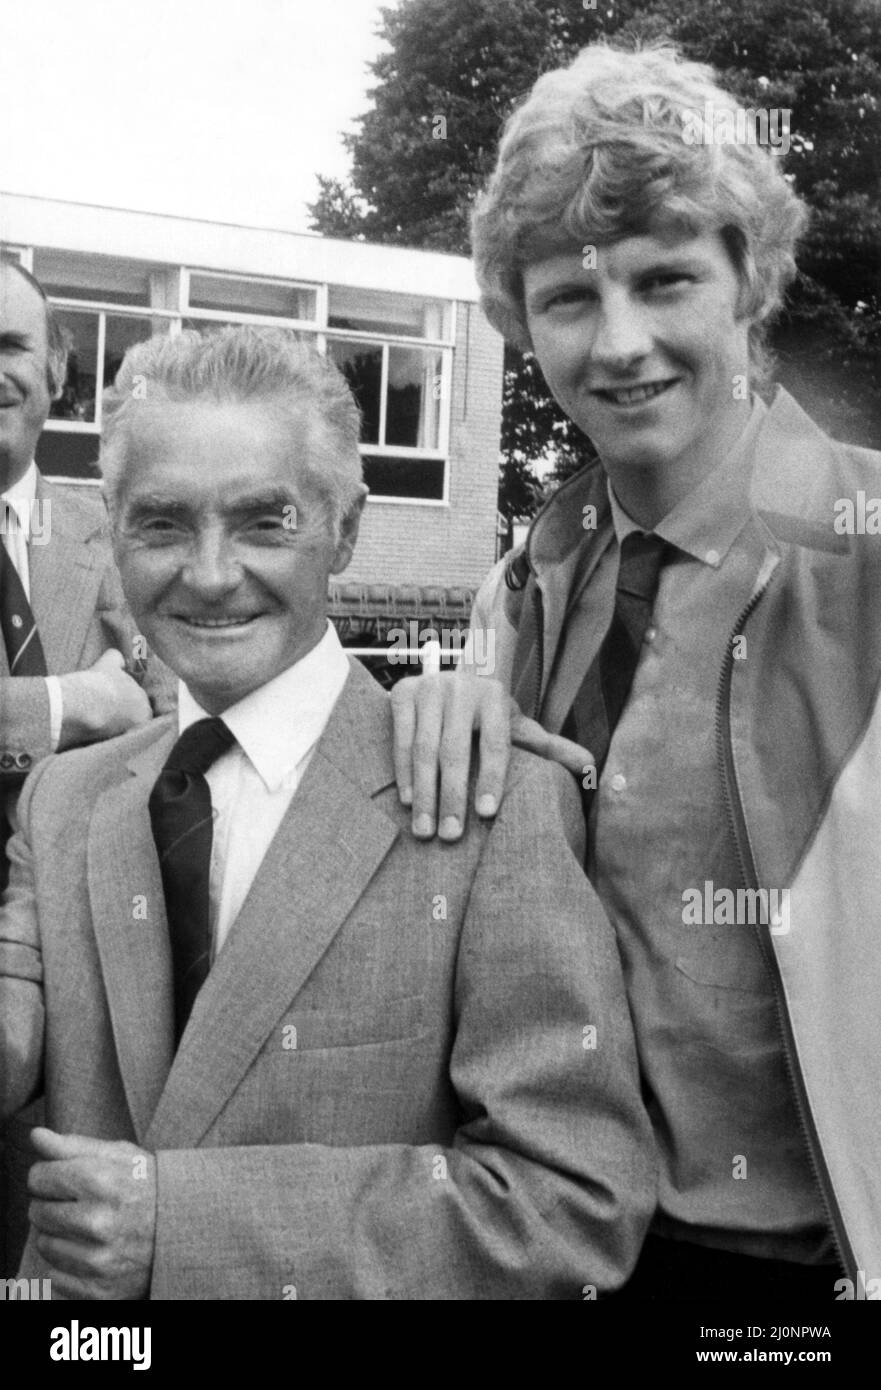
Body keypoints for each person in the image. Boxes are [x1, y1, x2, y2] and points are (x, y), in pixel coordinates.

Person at [0, 325, 655, 1300]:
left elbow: (567, 1202)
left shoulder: (495, 801)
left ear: (344, 529)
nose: (211, 573)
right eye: (163, 523)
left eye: (265, 523)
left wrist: (183, 1225)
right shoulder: (65, 800)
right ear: (113, 527)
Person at [390, 39, 881, 1299]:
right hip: (566, 1243)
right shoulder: (520, 589)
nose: (617, 344)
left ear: (746, 285)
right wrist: (436, 719)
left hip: (811, 1263)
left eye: (664, 280)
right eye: (566, 297)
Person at [0, 260, 174, 1273]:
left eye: (11, 346)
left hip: (80, 1014)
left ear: (56, 370)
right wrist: (75, 702)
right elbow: (117, 700)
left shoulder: (111, 541)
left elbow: (170, 699)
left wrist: (131, 697)